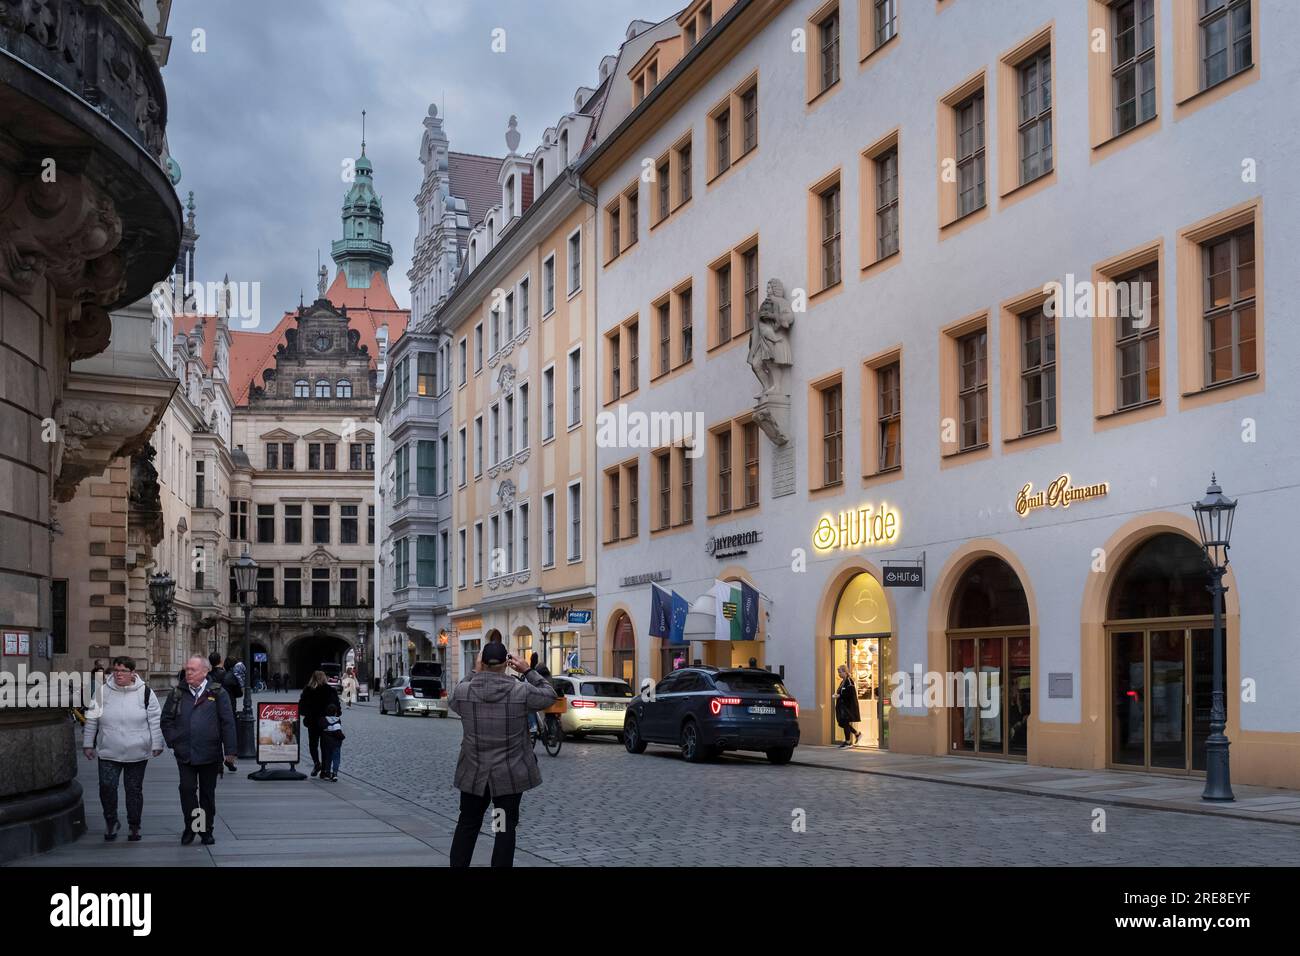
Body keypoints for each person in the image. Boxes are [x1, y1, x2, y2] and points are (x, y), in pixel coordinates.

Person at [448, 641, 556, 868]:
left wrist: (474, 672)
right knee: (503, 828)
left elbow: (453, 699)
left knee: (468, 825)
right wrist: (527, 670)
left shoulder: (465, 692)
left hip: (474, 774)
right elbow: (549, 696)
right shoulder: (521, 691)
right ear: (507, 665)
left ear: (482, 663)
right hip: (508, 775)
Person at [82, 657, 163, 842]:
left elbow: (155, 720)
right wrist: (88, 743)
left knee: (133, 790)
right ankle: (111, 821)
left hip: (137, 751)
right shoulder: (102, 692)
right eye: (116, 670)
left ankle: (134, 826)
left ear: (132, 673)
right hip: (108, 750)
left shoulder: (146, 693)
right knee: (107, 787)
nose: (119, 674)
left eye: (123, 671)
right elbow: (92, 719)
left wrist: (157, 744)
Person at [160, 655, 237, 845]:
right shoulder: (177, 692)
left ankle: (206, 829)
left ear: (205, 672)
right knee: (187, 790)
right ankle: (193, 826)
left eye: (192, 670)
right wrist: (173, 741)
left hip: (210, 753)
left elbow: (228, 723)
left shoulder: (218, 692)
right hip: (185, 753)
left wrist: (230, 751)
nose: (188, 673)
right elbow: (166, 720)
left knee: (207, 794)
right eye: (187, 669)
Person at [298, 670, 340, 778]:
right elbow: (337, 707)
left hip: (313, 722)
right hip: (326, 723)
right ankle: (325, 771)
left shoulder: (308, 690)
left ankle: (317, 763)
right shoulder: (330, 690)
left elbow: (301, 708)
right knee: (325, 746)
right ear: (324, 678)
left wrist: (308, 713)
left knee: (313, 744)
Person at [834, 664, 861, 747]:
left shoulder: (849, 681)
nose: (839, 674)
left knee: (845, 722)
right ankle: (857, 734)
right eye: (838, 672)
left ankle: (848, 741)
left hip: (847, 707)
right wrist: (837, 694)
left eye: (840, 672)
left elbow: (850, 694)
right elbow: (841, 692)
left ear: (845, 672)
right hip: (842, 706)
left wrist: (839, 696)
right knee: (842, 723)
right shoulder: (843, 681)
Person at [319, 697, 345, 782]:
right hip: (336, 743)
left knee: (328, 758)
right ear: (335, 712)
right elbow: (338, 731)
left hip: (326, 743)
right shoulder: (338, 720)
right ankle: (335, 773)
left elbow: (321, 729)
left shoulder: (323, 720)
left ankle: (327, 773)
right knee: (336, 758)